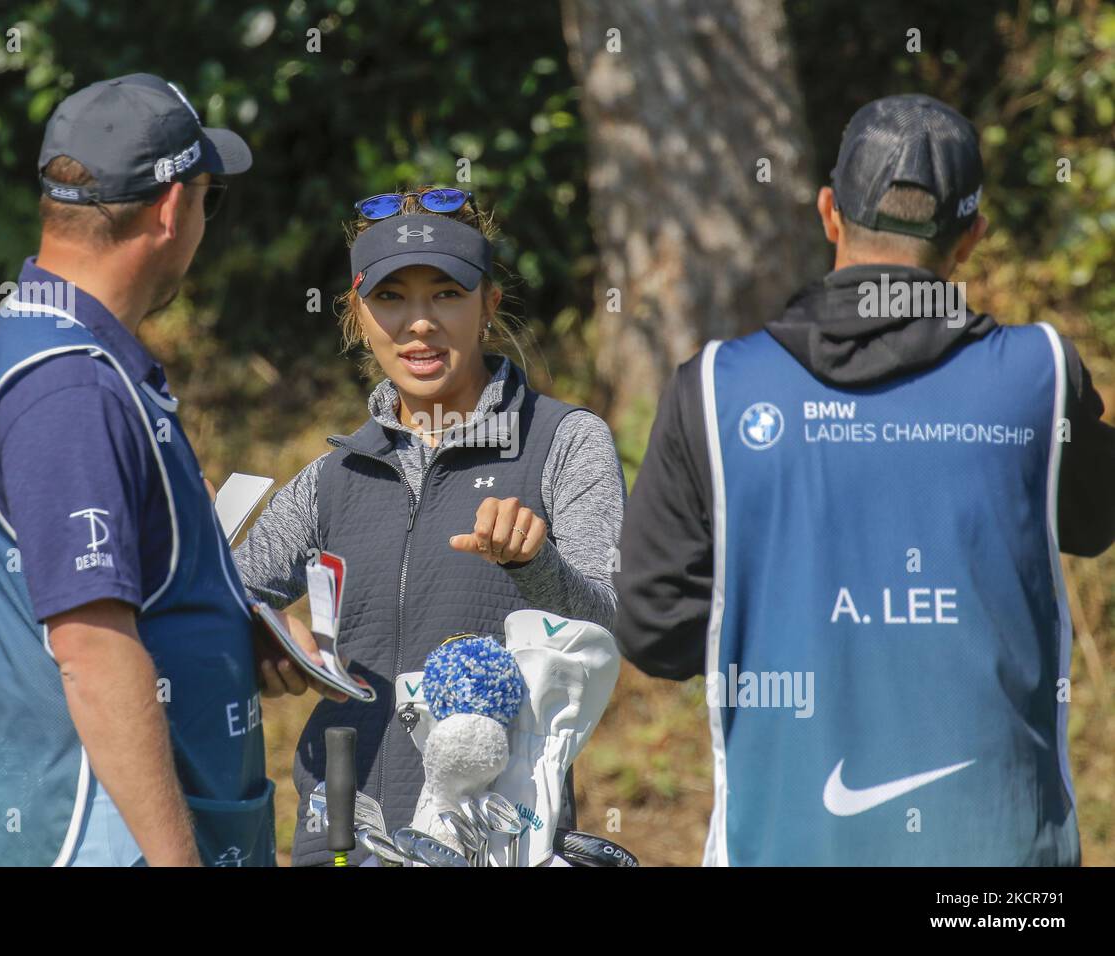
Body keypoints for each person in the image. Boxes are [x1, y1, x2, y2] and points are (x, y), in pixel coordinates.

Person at [613, 94, 1115, 865]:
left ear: (827, 212)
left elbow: (656, 631)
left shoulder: (717, 390)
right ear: (973, 236)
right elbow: (1093, 521)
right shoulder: (1042, 378)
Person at [0, 73, 327, 867]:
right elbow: (91, 650)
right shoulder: (72, 389)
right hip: (95, 837)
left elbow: (114, 582)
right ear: (172, 208)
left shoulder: (39, 341)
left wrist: (229, 626)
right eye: (208, 198)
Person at [234, 188, 626, 866]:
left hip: (498, 841)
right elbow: (218, 601)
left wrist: (534, 564)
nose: (419, 324)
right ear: (357, 315)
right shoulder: (333, 476)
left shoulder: (565, 441)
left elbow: (606, 629)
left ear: (488, 306)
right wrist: (259, 628)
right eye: (390, 298)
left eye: (446, 293)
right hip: (339, 841)